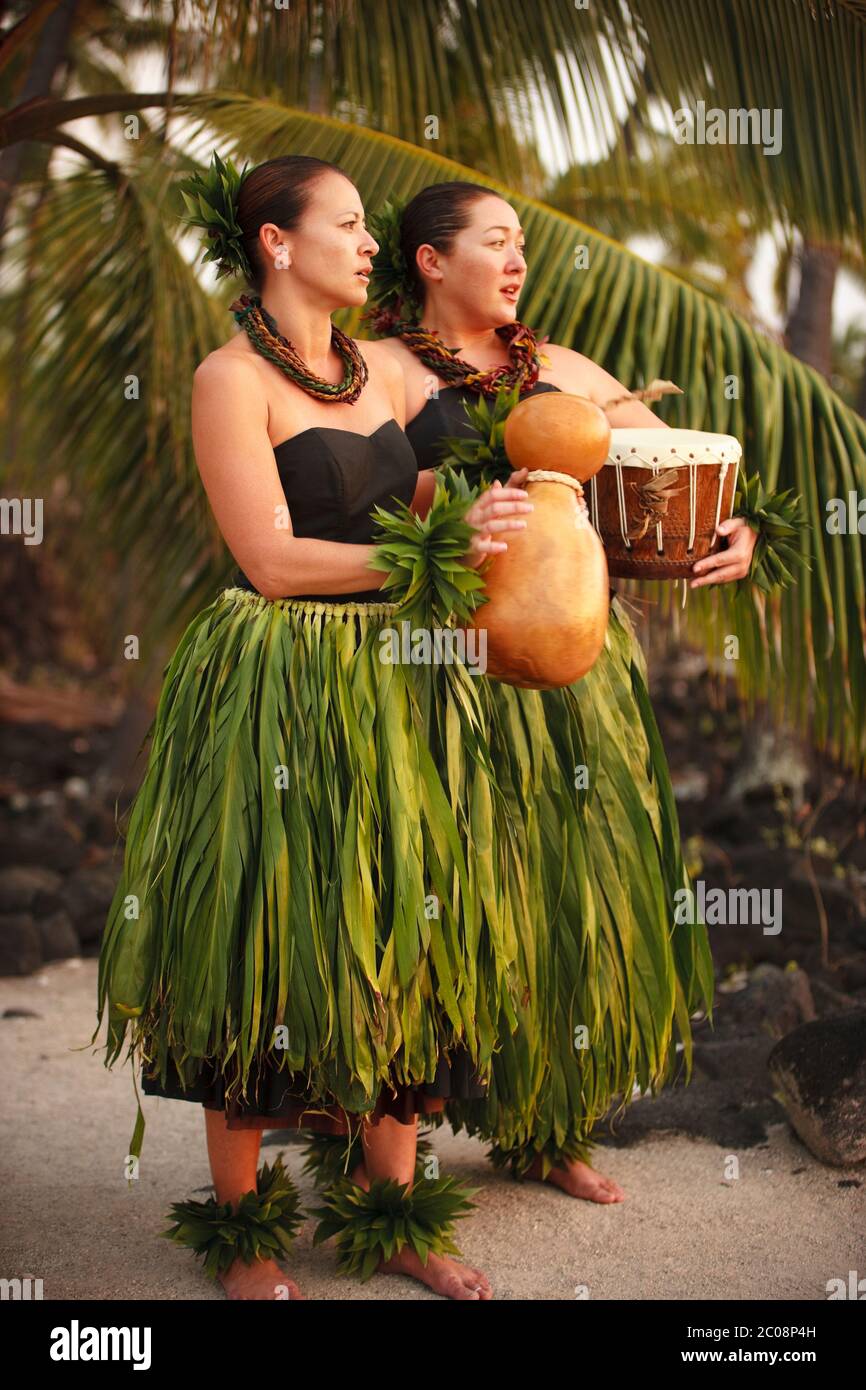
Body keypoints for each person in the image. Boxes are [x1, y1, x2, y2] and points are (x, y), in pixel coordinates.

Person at [95, 155, 549, 1301]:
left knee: (403, 934)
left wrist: (476, 520)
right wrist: (429, 562)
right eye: (345, 224)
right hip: (278, 682)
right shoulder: (226, 380)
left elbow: (426, 516)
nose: (368, 244)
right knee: (268, 933)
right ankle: (243, 1238)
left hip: (398, 684)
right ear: (275, 243)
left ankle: (392, 1216)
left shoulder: (382, 379)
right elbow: (273, 559)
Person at [366, 181, 757, 1202]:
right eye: (494, 241)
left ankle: (543, 1125)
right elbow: (341, 502)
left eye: (522, 246)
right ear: (427, 258)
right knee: (430, 903)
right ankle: (383, 1150)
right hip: (436, 679)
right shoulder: (377, 373)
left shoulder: (571, 375)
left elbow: (666, 482)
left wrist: (734, 533)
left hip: (577, 684)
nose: (515, 261)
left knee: (562, 899)